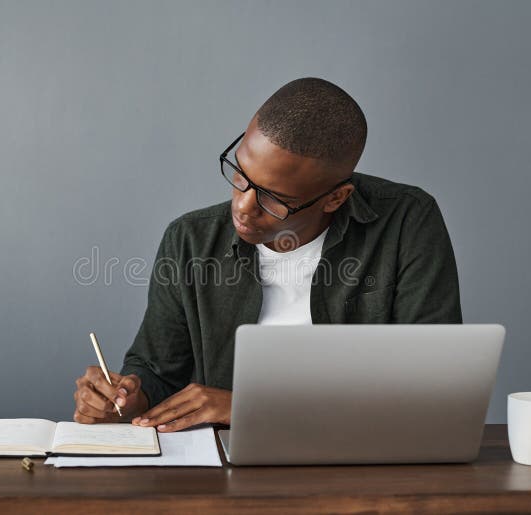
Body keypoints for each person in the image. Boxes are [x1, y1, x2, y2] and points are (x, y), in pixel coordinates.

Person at [73, 77, 462, 433]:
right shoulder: (189, 240)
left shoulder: (406, 222)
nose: (243, 207)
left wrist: (252, 408)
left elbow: (430, 390)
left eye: (274, 199)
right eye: (240, 174)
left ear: (335, 198)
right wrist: (126, 399)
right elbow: (158, 374)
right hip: (225, 472)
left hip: (361, 463)